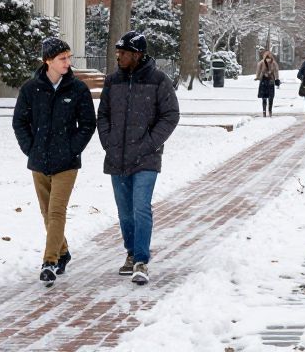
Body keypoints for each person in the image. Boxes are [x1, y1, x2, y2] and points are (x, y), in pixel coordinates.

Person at [97, 31, 181, 286]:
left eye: (123, 53)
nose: (119, 57)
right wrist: (109, 143)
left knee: (141, 206)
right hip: (117, 157)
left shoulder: (159, 81)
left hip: (146, 158)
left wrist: (150, 143)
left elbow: (171, 115)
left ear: (137, 55)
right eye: (118, 53)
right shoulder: (112, 82)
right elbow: (103, 116)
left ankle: (142, 259)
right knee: (125, 212)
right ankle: (131, 252)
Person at [12, 37, 96, 285]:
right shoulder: (30, 89)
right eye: (62, 58)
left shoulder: (78, 89)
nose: (68, 62)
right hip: (39, 162)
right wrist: (31, 149)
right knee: (46, 213)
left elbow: (88, 124)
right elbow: (19, 122)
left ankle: (49, 261)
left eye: (69, 58)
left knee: (57, 211)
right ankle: (63, 252)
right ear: (47, 61)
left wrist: (72, 149)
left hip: (66, 164)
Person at [255, 50, 280, 117]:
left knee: (268, 97)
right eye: (267, 57)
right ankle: (266, 111)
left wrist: (277, 79)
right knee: (267, 97)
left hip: (268, 81)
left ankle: (267, 110)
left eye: (269, 57)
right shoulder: (263, 63)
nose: (268, 59)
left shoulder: (272, 63)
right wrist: (259, 76)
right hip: (266, 81)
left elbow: (276, 71)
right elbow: (258, 71)